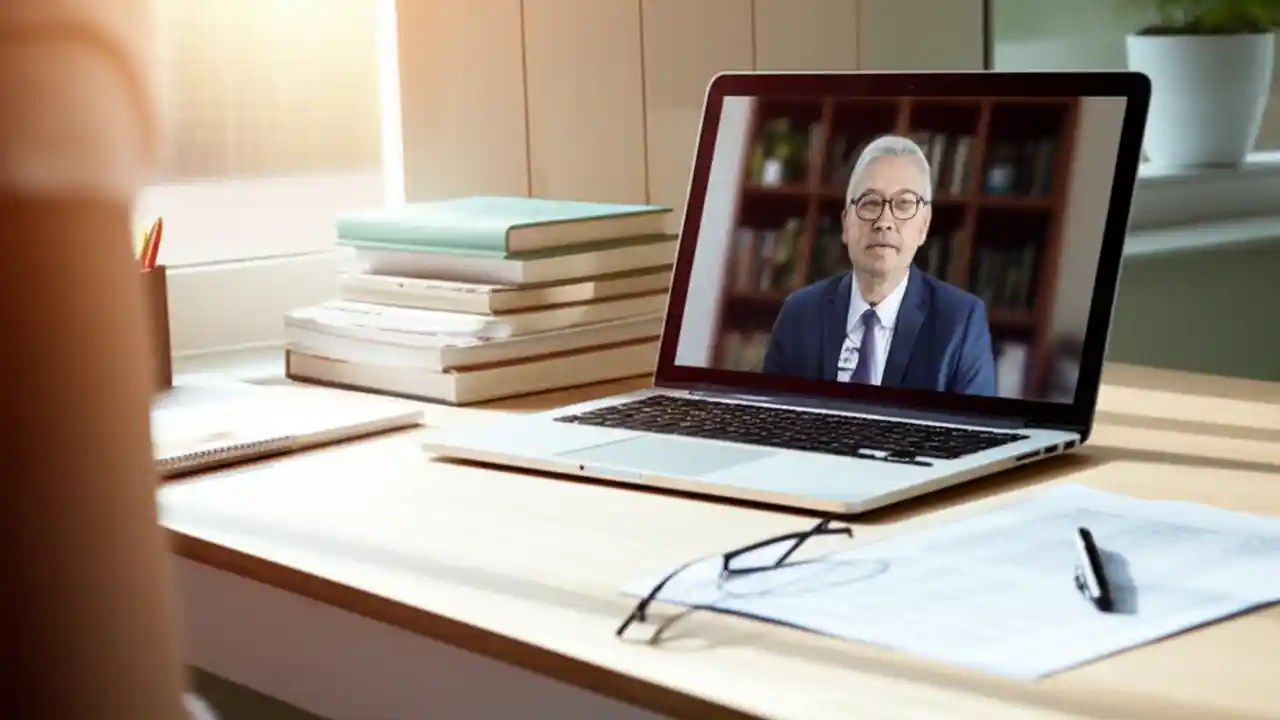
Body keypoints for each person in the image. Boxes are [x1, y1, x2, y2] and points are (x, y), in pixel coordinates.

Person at [761, 134, 996, 395]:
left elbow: (970, 433)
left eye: (903, 204)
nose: (884, 221)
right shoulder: (799, 314)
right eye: (870, 203)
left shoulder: (960, 323)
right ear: (846, 224)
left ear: (924, 225)